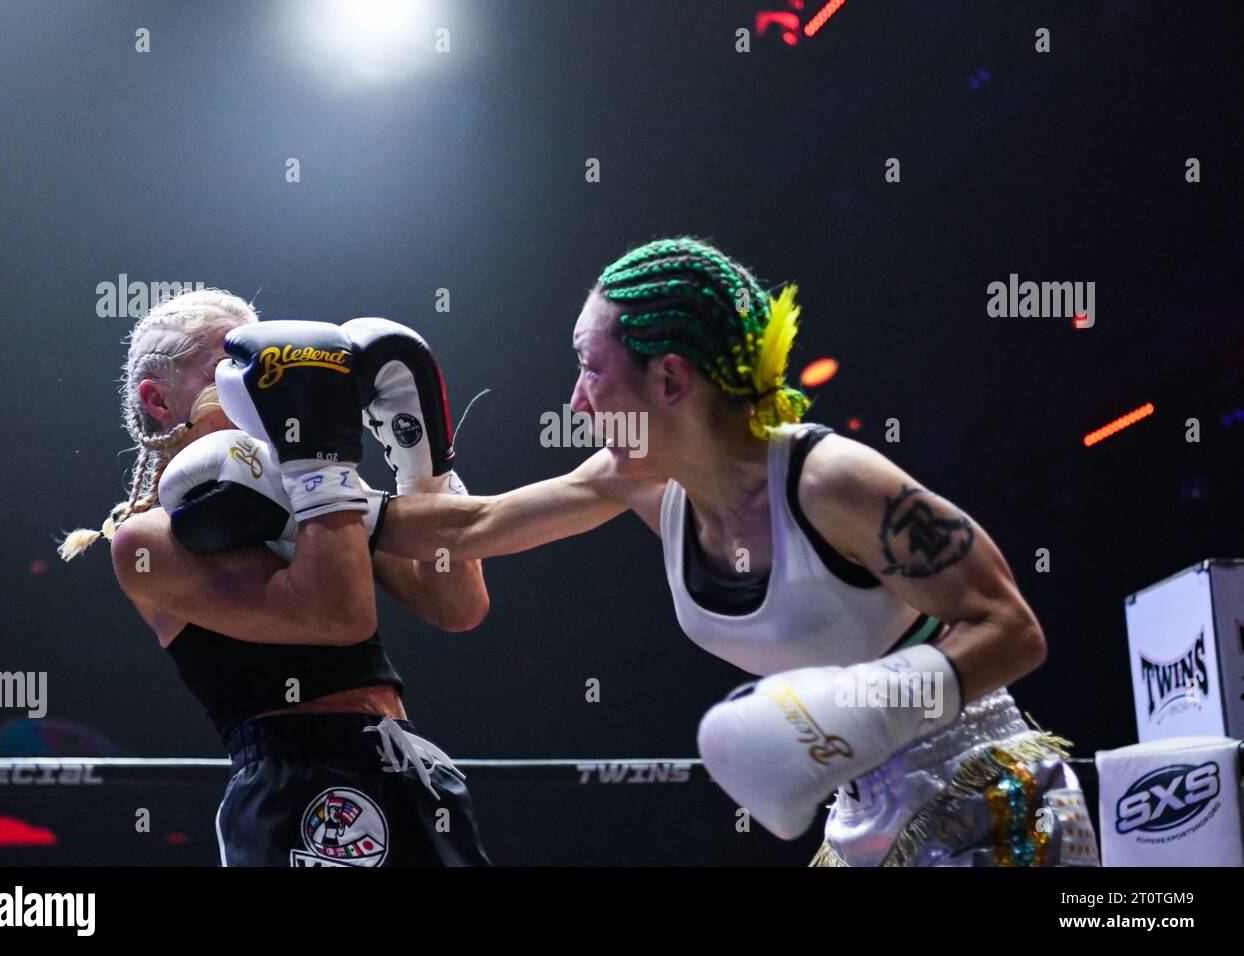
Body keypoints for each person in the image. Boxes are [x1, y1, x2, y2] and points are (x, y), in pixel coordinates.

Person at [374, 237, 1098, 866]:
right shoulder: (634, 481)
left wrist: (871, 705)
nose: (576, 403)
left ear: (669, 379)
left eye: (591, 368)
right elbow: (469, 528)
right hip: (862, 818)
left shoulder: (829, 482)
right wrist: (311, 489)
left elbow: (1014, 629)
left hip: (984, 796)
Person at [59, 290, 492, 867]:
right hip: (299, 784)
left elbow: (457, 604)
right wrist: (322, 469)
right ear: (157, 400)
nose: (258, 387)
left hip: (410, 764)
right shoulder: (148, 540)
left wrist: (423, 469)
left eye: (262, 368)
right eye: (228, 371)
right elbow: (340, 616)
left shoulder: (309, 487)